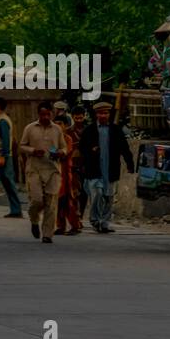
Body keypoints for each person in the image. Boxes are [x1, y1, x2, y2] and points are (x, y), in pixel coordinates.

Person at [79, 101, 134, 233]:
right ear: (96, 115)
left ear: (109, 114)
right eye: (100, 113)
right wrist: (91, 151)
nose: (103, 115)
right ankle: (95, 220)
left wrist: (130, 164)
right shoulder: (89, 130)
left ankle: (104, 223)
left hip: (110, 169)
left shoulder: (116, 130)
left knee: (108, 197)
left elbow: (124, 148)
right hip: (94, 170)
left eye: (105, 113)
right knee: (97, 194)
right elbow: (81, 148)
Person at [19, 101, 68, 243]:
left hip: (52, 170)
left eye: (48, 114)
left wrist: (60, 153)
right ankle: (34, 220)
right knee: (37, 200)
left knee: (51, 202)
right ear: (38, 114)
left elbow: (64, 148)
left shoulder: (57, 129)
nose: (45, 117)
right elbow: (22, 146)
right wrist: (33, 151)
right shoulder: (30, 128)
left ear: (52, 114)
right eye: (43, 114)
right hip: (34, 169)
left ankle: (47, 234)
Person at [53, 101, 82, 236]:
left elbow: (65, 153)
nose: (58, 127)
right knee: (58, 202)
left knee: (70, 201)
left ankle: (75, 225)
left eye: (61, 124)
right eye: (56, 124)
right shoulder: (53, 139)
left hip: (67, 174)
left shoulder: (67, 138)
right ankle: (60, 226)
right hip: (56, 174)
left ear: (65, 126)